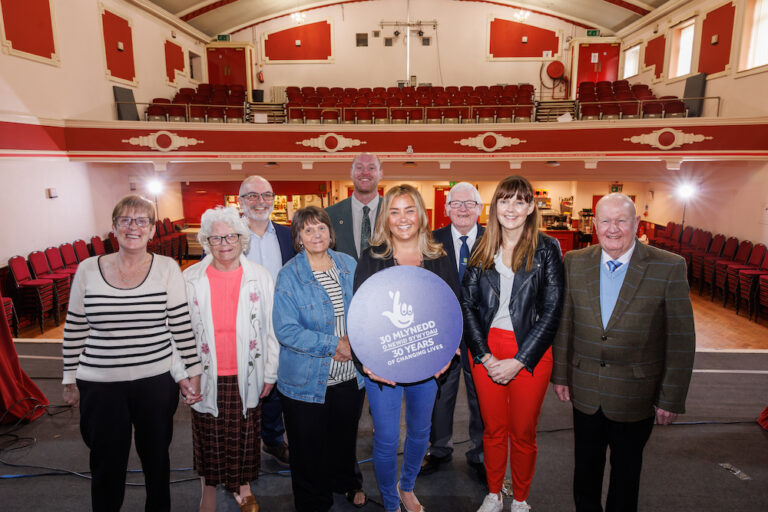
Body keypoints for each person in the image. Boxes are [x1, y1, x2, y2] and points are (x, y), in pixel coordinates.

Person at [551, 193, 695, 512]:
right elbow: (565, 323)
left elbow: (681, 340)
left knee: (626, 474)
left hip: (636, 392)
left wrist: (670, 398)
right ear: (594, 225)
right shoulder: (575, 261)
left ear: (637, 224)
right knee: (584, 471)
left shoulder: (669, 267)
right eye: (605, 221)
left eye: (621, 221)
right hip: (585, 387)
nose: (612, 229)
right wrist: (560, 374)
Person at [61, 194, 202, 512]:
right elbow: (75, 327)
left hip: (155, 381)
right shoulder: (88, 269)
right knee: (106, 466)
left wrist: (193, 371)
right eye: (125, 220)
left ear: (152, 230)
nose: (133, 227)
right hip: (100, 384)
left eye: (142, 221)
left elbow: (181, 324)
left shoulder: (166, 268)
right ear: (114, 227)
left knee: (157, 463)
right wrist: (69, 376)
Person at [461, 176, 564, 512]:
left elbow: (552, 311)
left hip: (531, 352)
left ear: (531, 207)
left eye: (520, 201)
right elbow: (468, 306)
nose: (512, 208)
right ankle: (494, 493)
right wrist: (484, 356)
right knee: (492, 430)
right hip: (487, 350)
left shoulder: (547, 249)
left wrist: (519, 360)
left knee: (522, 432)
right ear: (495, 207)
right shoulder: (482, 246)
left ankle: (520, 498)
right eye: (505, 200)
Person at [353, 184, 457, 512]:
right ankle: (389, 501)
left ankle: (407, 485)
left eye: (409, 210)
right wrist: (364, 362)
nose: (402, 218)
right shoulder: (372, 257)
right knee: (385, 439)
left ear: (421, 215)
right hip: (382, 364)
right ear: (386, 218)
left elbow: (452, 309)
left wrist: (447, 355)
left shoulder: (438, 256)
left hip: (427, 362)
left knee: (420, 432)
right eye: (394, 211)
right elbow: (358, 315)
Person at [183, 206, 279, 512]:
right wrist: (184, 373)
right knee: (207, 435)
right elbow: (178, 330)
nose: (224, 243)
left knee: (245, 434)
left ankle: (242, 485)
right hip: (204, 371)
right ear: (206, 242)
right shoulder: (190, 278)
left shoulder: (260, 276)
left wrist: (270, 371)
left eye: (231, 236)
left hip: (247, 370)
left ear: (242, 239)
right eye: (216, 238)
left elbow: (272, 329)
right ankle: (207, 491)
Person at [273, 206, 367, 512]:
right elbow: (286, 330)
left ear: (331, 232)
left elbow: (365, 308)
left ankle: (347, 482)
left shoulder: (348, 264)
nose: (316, 235)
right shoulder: (289, 275)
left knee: (344, 438)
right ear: (298, 237)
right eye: (308, 229)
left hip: (350, 376)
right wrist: (334, 345)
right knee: (307, 447)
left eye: (321, 228)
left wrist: (356, 342)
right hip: (306, 378)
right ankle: (314, 501)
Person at [421, 182, 486, 479]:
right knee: (440, 394)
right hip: (442, 332)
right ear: (446, 209)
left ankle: (482, 452)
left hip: (482, 334)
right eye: (456, 203)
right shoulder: (430, 241)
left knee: (482, 395)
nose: (462, 209)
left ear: (480, 208)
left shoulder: (494, 239)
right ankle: (438, 448)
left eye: (469, 203)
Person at [238, 175, 296, 466]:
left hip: (282, 322)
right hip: (241, 324)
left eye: (266, 195)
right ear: (240, 202)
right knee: (243, 387)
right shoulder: (230, 236)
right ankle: (242, 449)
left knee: (276, 384)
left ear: (274, 200)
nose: (260, 201)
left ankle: (273, 440)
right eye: (252, 195)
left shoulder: (289, 235)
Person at [326, 153, 383, 260]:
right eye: (359, 167)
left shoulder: (393, 212)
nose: (365, 172)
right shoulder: (329, 215)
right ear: (351, 173)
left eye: (371, 168)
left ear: (380, 174)